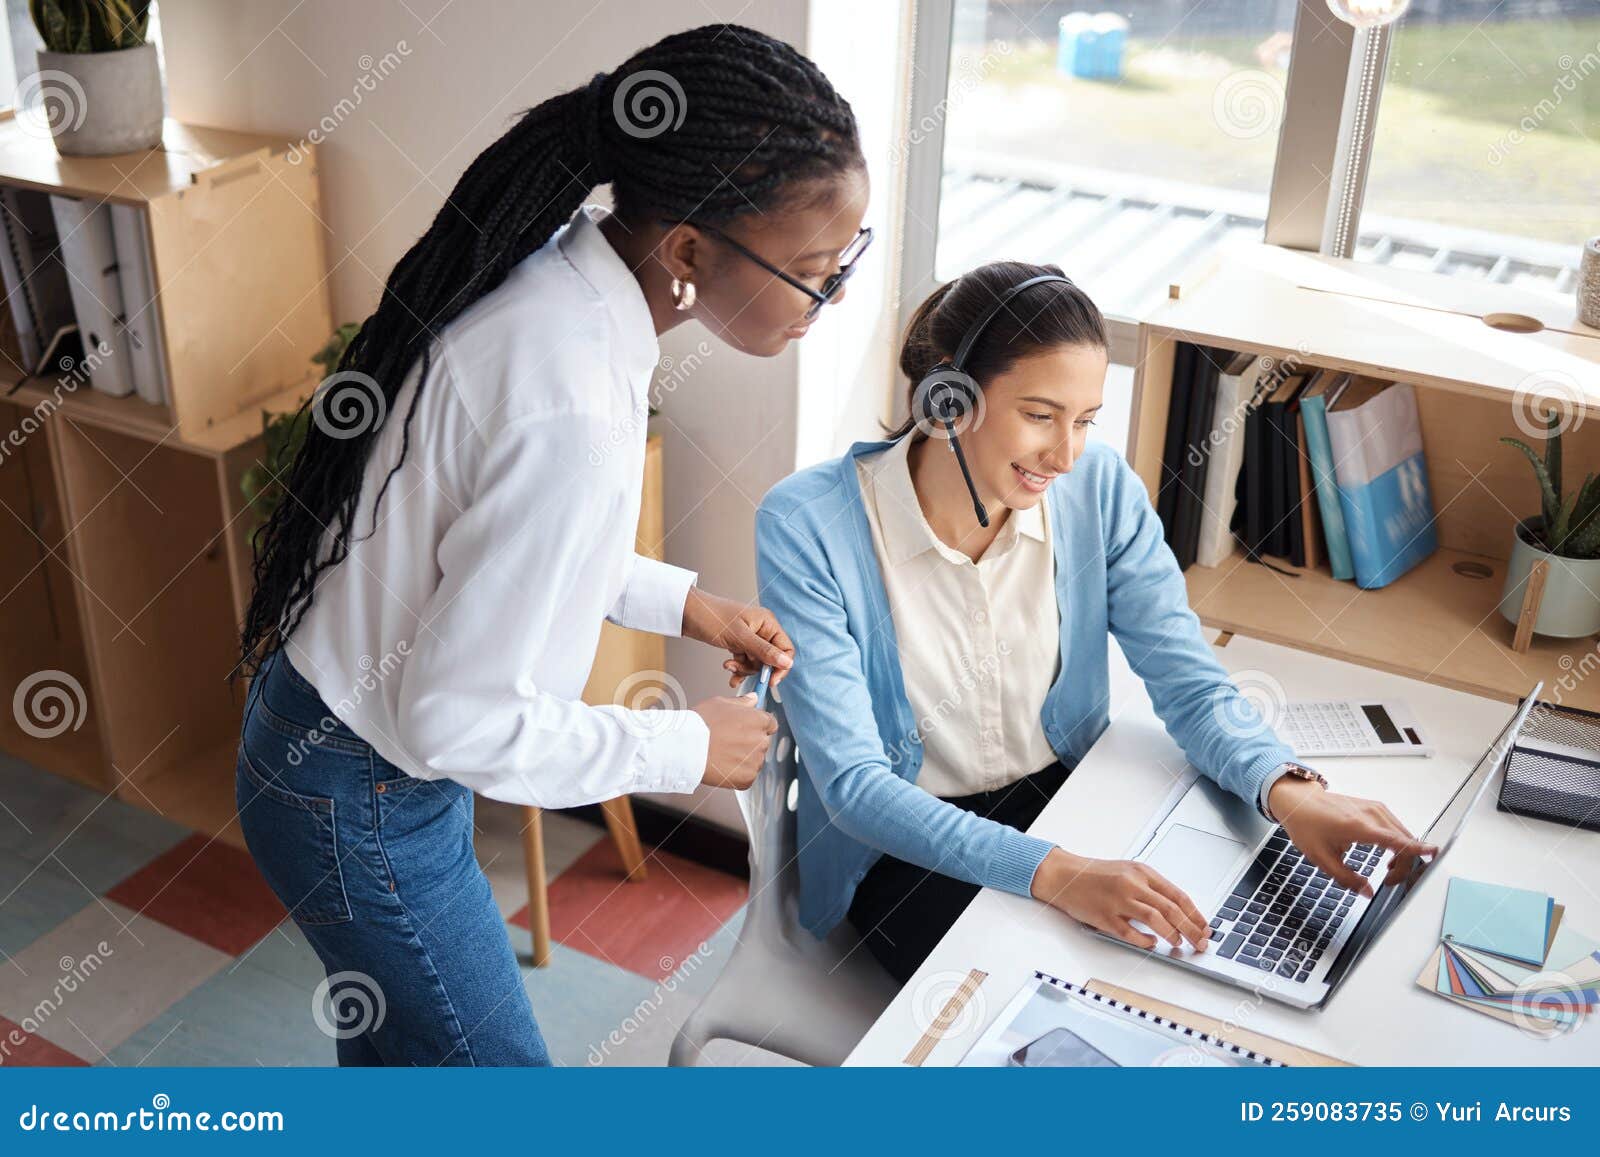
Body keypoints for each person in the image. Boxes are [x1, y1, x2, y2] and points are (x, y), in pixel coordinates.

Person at [233, 25, 871, 1065]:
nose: (828, 296)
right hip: (364, 789)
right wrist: (686, 746)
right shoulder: (567, 395)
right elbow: (455, 717)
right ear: (690, 252)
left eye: (849, 259)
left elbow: (485, 546)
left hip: (329, 746)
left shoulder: (560, 293)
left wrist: (685, 604)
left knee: (404, 1063)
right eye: (811, 270)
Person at [753, 261, 1436, 983]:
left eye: (1085, 421)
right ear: (949, 396)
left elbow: (1190, 685)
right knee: (1045, 1007)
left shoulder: (1098, 490)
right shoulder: (808, 523)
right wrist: (1059, 873)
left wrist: (1292, 793)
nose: (1067, 454)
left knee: (1194, 966)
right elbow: (857, 787)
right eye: (1040, 416)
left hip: (1066, 798)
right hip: (903, 852)